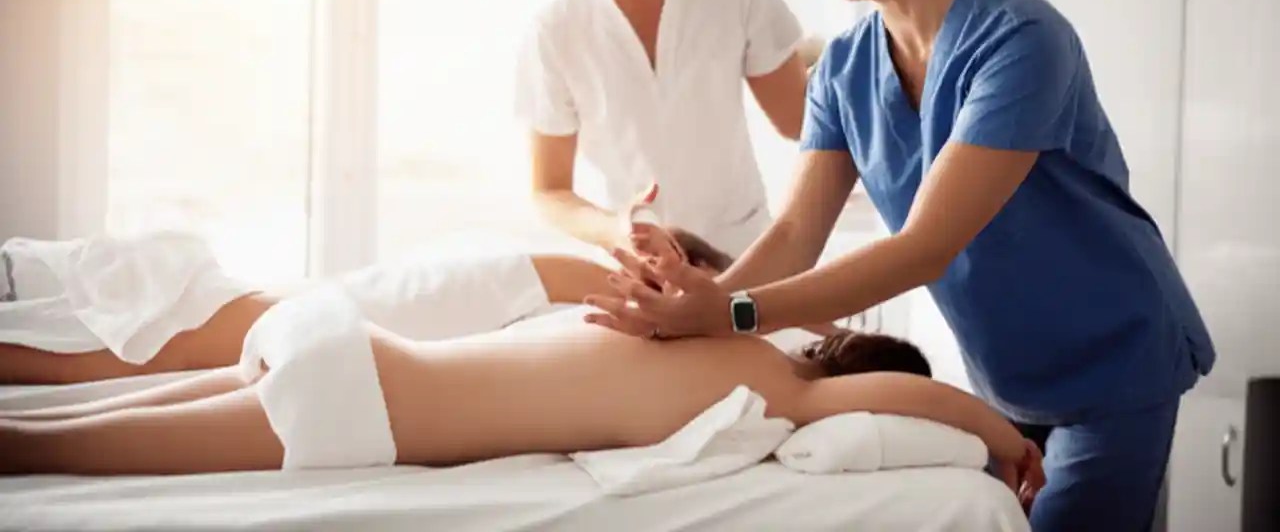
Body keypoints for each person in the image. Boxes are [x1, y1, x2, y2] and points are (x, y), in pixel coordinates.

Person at [583, 0, 1215, 531]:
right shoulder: (844, 72)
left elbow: (924, 247)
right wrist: (700, 309)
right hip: (1005, 376)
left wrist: (730, 312)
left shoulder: (1021, 40)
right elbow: (795, 231)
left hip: (1113, 360)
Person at [0, 316, 1042, 506]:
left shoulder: (723, 339)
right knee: (40, 455)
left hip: (346, 345)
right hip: (361, 402)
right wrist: (1005, 443)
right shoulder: (781, 392)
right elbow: (913, 398)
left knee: (49, 435)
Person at [516, 0, 811, 259]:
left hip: (742, 252)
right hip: (635, 264)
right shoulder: (556, 31)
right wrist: (614, 229)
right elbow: (549, 190)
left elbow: (798, 120)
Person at [0, 227, 725, 386]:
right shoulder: (585, 273)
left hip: (329, 318)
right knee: (177, 333)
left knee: (174, 341)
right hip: (326, 310)